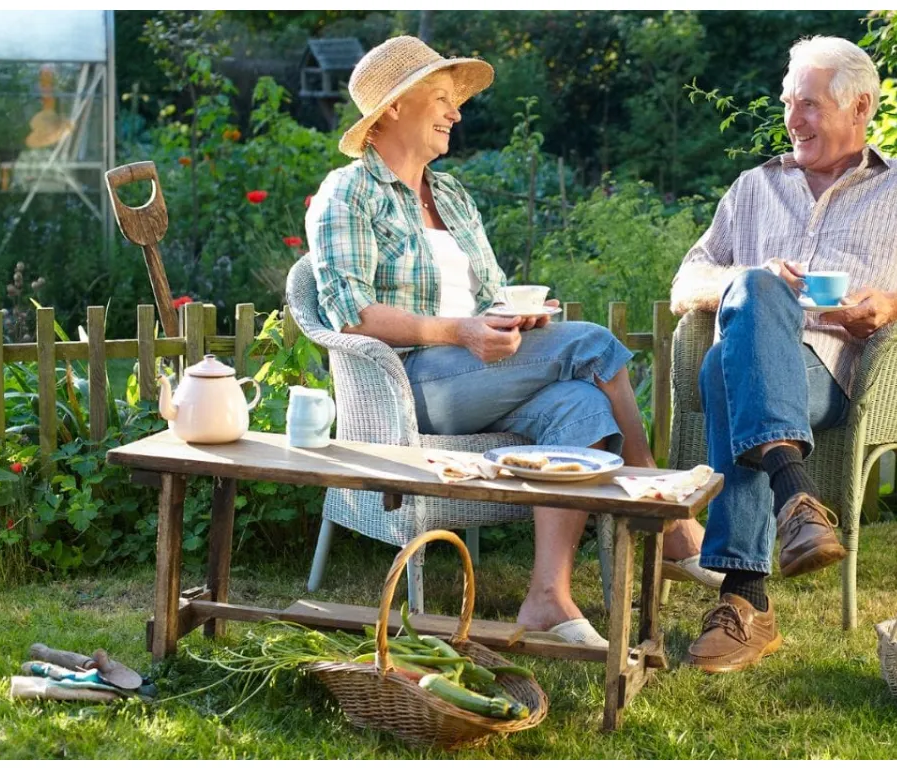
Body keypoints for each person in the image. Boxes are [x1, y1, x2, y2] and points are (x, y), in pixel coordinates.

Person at [307, 36, 722, 648]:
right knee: (594, 344)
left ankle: (547, 597)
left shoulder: (451, 196)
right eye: (441, 98)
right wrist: (459, 332)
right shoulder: (348, 193)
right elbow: (352, 316)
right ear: (393, 107)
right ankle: (665, 517)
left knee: (584, 406)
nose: (456, 113)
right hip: (406, 385)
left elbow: (488, 296)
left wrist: (514, 320)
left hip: (480, 375)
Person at [669, 36, 897, 672]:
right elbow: (685, 283)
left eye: (809, 104)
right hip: (745, 362)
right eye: (787, 103)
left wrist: (894, 304)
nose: (792, 119)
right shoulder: (754, 187)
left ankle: (746, 596)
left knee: (725, 369)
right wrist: (749, 280)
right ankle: (795, 496)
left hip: (830, 373)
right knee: (738, 333)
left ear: (860, 107)